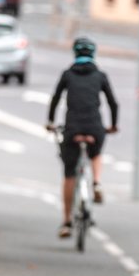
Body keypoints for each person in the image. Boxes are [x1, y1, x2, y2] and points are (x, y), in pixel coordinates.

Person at [46, 36, 119, 238]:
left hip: (73, 128)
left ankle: (67, 222)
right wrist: (113, 125)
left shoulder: (67, 75)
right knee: (96, 153)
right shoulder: (101, 76)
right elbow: (113, 103)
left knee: (69, 174)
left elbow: (55, 99)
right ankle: (96, 182)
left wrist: (50, 122)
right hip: (94, 127)